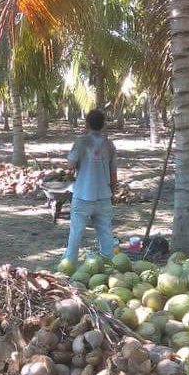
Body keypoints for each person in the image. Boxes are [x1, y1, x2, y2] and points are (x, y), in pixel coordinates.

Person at [63, 109, 118, 263]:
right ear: (103, 125)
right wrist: (112, 192)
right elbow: (114, 173)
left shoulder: (80, 142)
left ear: (86, 124)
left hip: (82, 195)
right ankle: (109, 264)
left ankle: (70, 263)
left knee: (76, 233)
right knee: (106, 233)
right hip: (103, 196)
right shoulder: (109, 144)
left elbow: (71, 166)